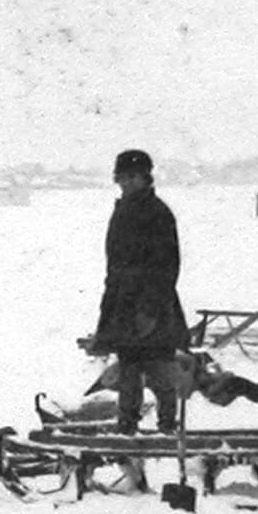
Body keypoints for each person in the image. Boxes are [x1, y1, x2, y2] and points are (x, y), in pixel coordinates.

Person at [90, 149, 189, 460]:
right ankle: (127, 431)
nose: (126, 183)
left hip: (153, 305)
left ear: (146, 178)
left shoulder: (158, 213)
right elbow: (114, 266)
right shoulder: (123, 210)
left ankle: (167, 431)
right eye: (122, 178)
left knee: (160, 370)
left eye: (133, 177)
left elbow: (166, 266)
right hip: (123, 302)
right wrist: (108, 316)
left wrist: (149, 310)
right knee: (129, 371)